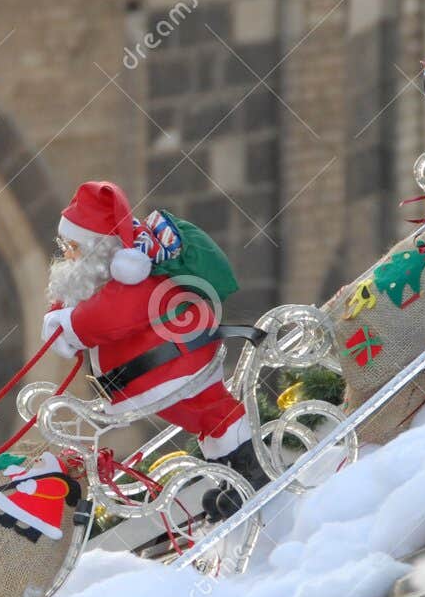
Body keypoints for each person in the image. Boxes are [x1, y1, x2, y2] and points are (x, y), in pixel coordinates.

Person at [39, 180, 268, 519]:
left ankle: (251, 471)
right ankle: (232, 476)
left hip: (175, 367)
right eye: (64, 245)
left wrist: (71, 326)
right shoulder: (100, 278)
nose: (67, 254)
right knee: (204, 416)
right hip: (159, 374)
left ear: (97, 249)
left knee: (208, 411)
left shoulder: (134, 277)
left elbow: (110, 317)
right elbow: (78, 299)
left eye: (72, 246)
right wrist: (60, 321)